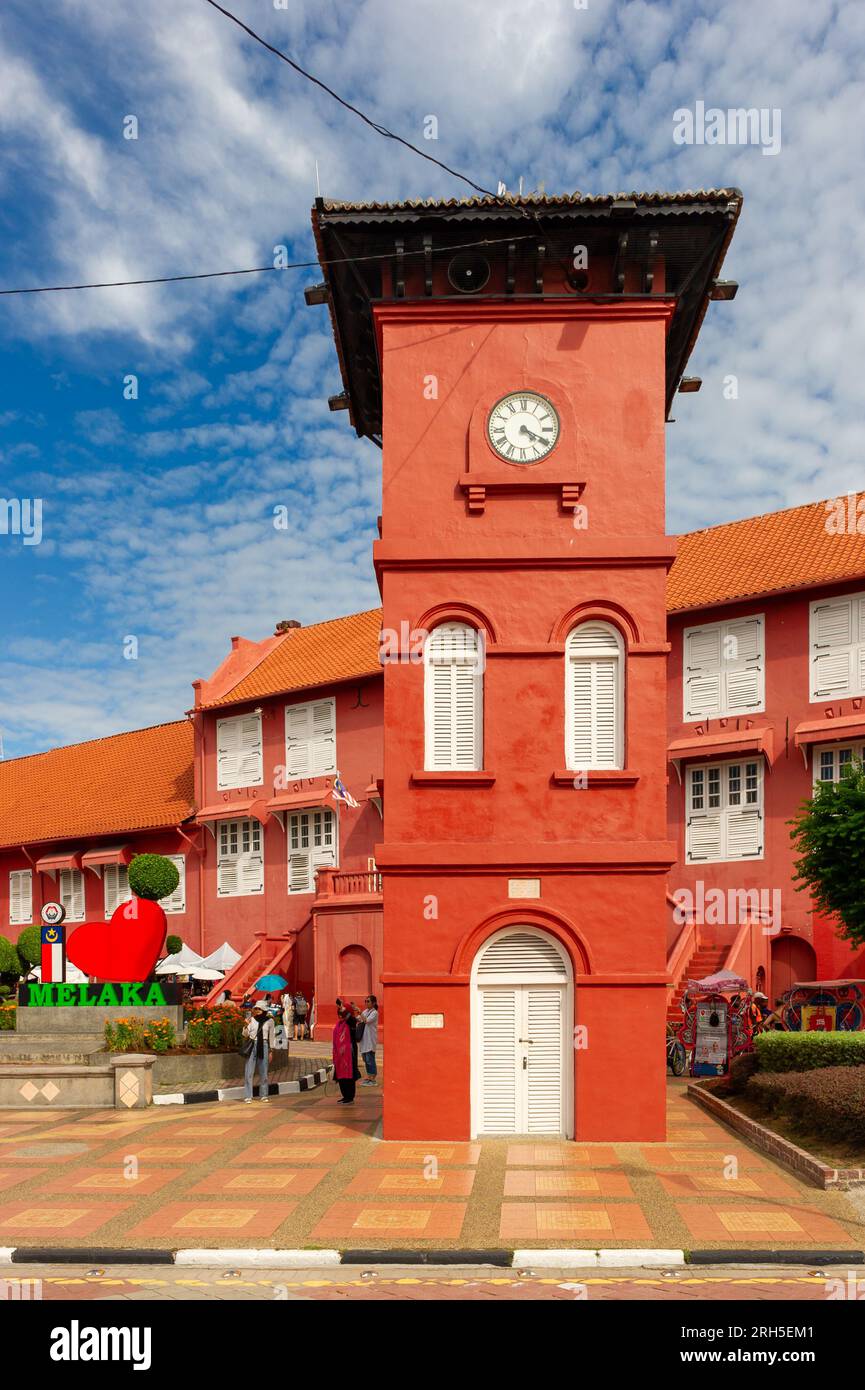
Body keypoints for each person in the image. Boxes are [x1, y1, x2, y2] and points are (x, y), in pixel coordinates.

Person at [243, 1005, 275, 1103]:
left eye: (259, 1009)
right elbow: (245, 1035)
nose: (257, 1010)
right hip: (253, 1044)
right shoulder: (251, 1020)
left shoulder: (270, 1021)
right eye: (256, 1008)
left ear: (264, 1010)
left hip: (264, 1045)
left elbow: (272, 1036)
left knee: (264, 1071)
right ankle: (248, 1096)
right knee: (249, 1071)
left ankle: (264, 1095)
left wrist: (271, 1050)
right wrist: (245, 1025)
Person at [332, 1003, 360, 1104]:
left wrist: (344, 1008)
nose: (340, 1015)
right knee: (341, 1076)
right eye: (339, 1013)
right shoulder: (337, 1025)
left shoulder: (351, 1023)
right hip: (339, 1055)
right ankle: (344, 1096)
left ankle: (350, 1097)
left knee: (349, 1076)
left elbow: (350, 1018)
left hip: (349, 1055)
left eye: (342, 1014)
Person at [358, 994, 379, 1086]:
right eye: (365, 1001)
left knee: (370, 1059)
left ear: (373, 1003)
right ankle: (369, 1077)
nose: (366, 1003)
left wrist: (359, 1013)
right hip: (364, 1040)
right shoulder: (366, 1011)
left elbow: (366, 1020)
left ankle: (373, 1079)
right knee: (365, 1059)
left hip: (370, 1040)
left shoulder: (374, 1013)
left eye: (368, 1001)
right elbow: (359, 1019)